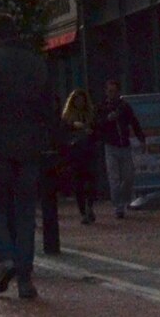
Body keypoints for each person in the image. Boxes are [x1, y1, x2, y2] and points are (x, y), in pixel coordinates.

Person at [0, 34, 57, 304]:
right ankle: (25, 278)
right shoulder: (36, 64)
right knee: (25, 213)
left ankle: (6, 257)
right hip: (29, 150)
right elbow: (49, 107)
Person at [96, 78, 141, 219]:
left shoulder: (124, 106)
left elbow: (133, 121)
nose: (112, 94)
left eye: (114, 91)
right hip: (110, 146)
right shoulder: (102, 107)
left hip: (124, 145)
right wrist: (107, 119)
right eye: (109, 91)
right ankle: (118, 206)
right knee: (114, 178)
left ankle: (124, 198)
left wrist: (141, 137)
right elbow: (97, 124)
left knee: (128, 177)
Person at [60, 89, 98, 225]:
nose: (80, 102)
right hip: (75, 154)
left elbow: (97, 130)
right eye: (77, 100)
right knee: (79, 183)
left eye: (82, 100)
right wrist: (73, 126)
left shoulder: (91, 115)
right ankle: (83, 211)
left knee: (91, 181)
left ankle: (89, 207)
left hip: (89, 152)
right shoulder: (67, 117)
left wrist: (90, 132)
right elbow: (62, 132)